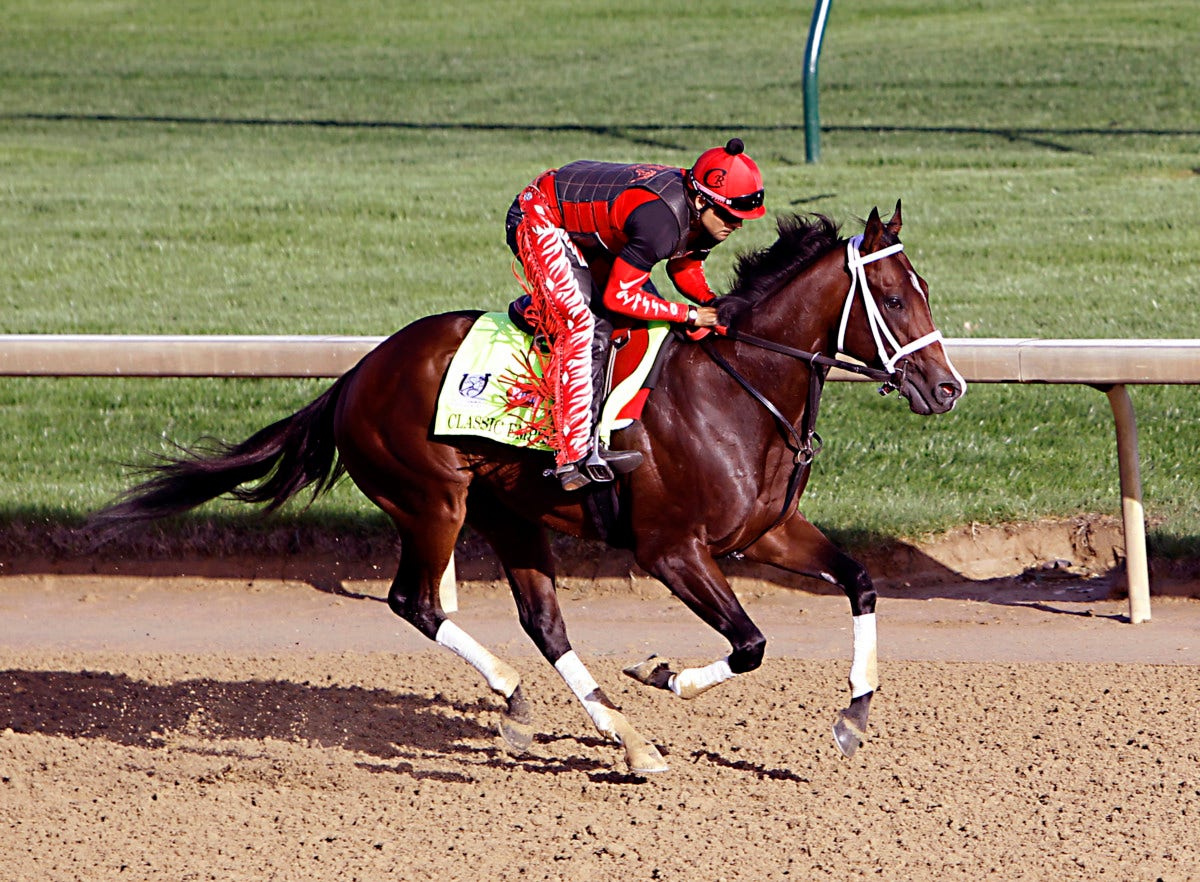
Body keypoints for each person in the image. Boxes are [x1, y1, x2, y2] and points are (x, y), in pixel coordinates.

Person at [505, 138, 767, 491]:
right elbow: (618, 296)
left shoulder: (707, 215)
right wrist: (690, 315)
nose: (736, 226)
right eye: (732, 216)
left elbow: (684, 266)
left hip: (594, 231)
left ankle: (604, 427)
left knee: (643, 323)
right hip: (541, 215)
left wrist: (713, 303)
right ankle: (573, 458)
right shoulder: (660, 221)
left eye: (743, 218)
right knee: (584, 325)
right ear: (702, 201)